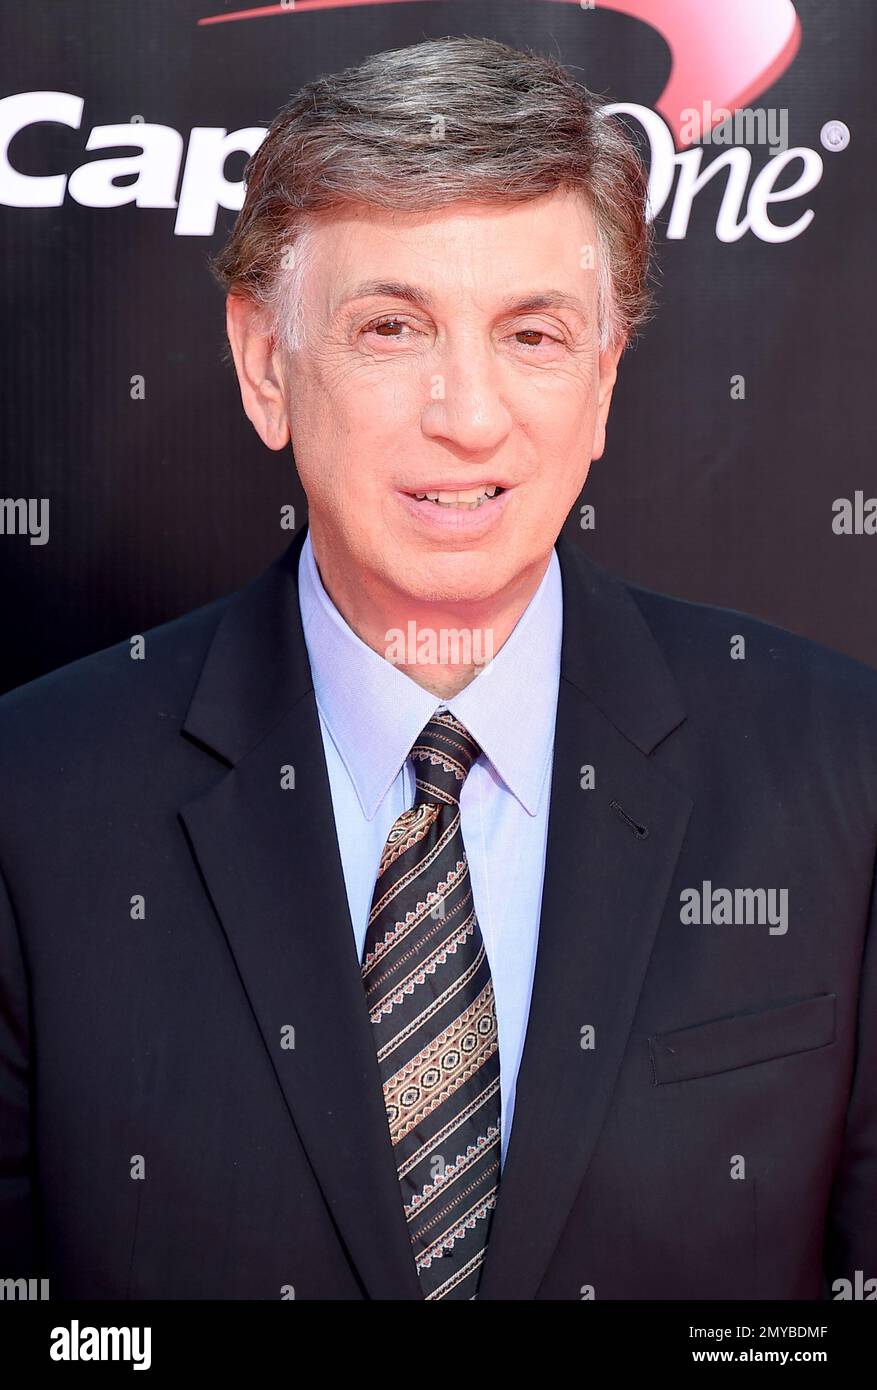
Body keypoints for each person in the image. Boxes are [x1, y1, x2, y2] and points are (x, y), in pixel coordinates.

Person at [0, 35, 874, 1301]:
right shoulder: (31, 799)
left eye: (531, 333)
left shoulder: (840, 775)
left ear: (604, 380)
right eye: (392, 326)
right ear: (263, 365)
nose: (467, 413)